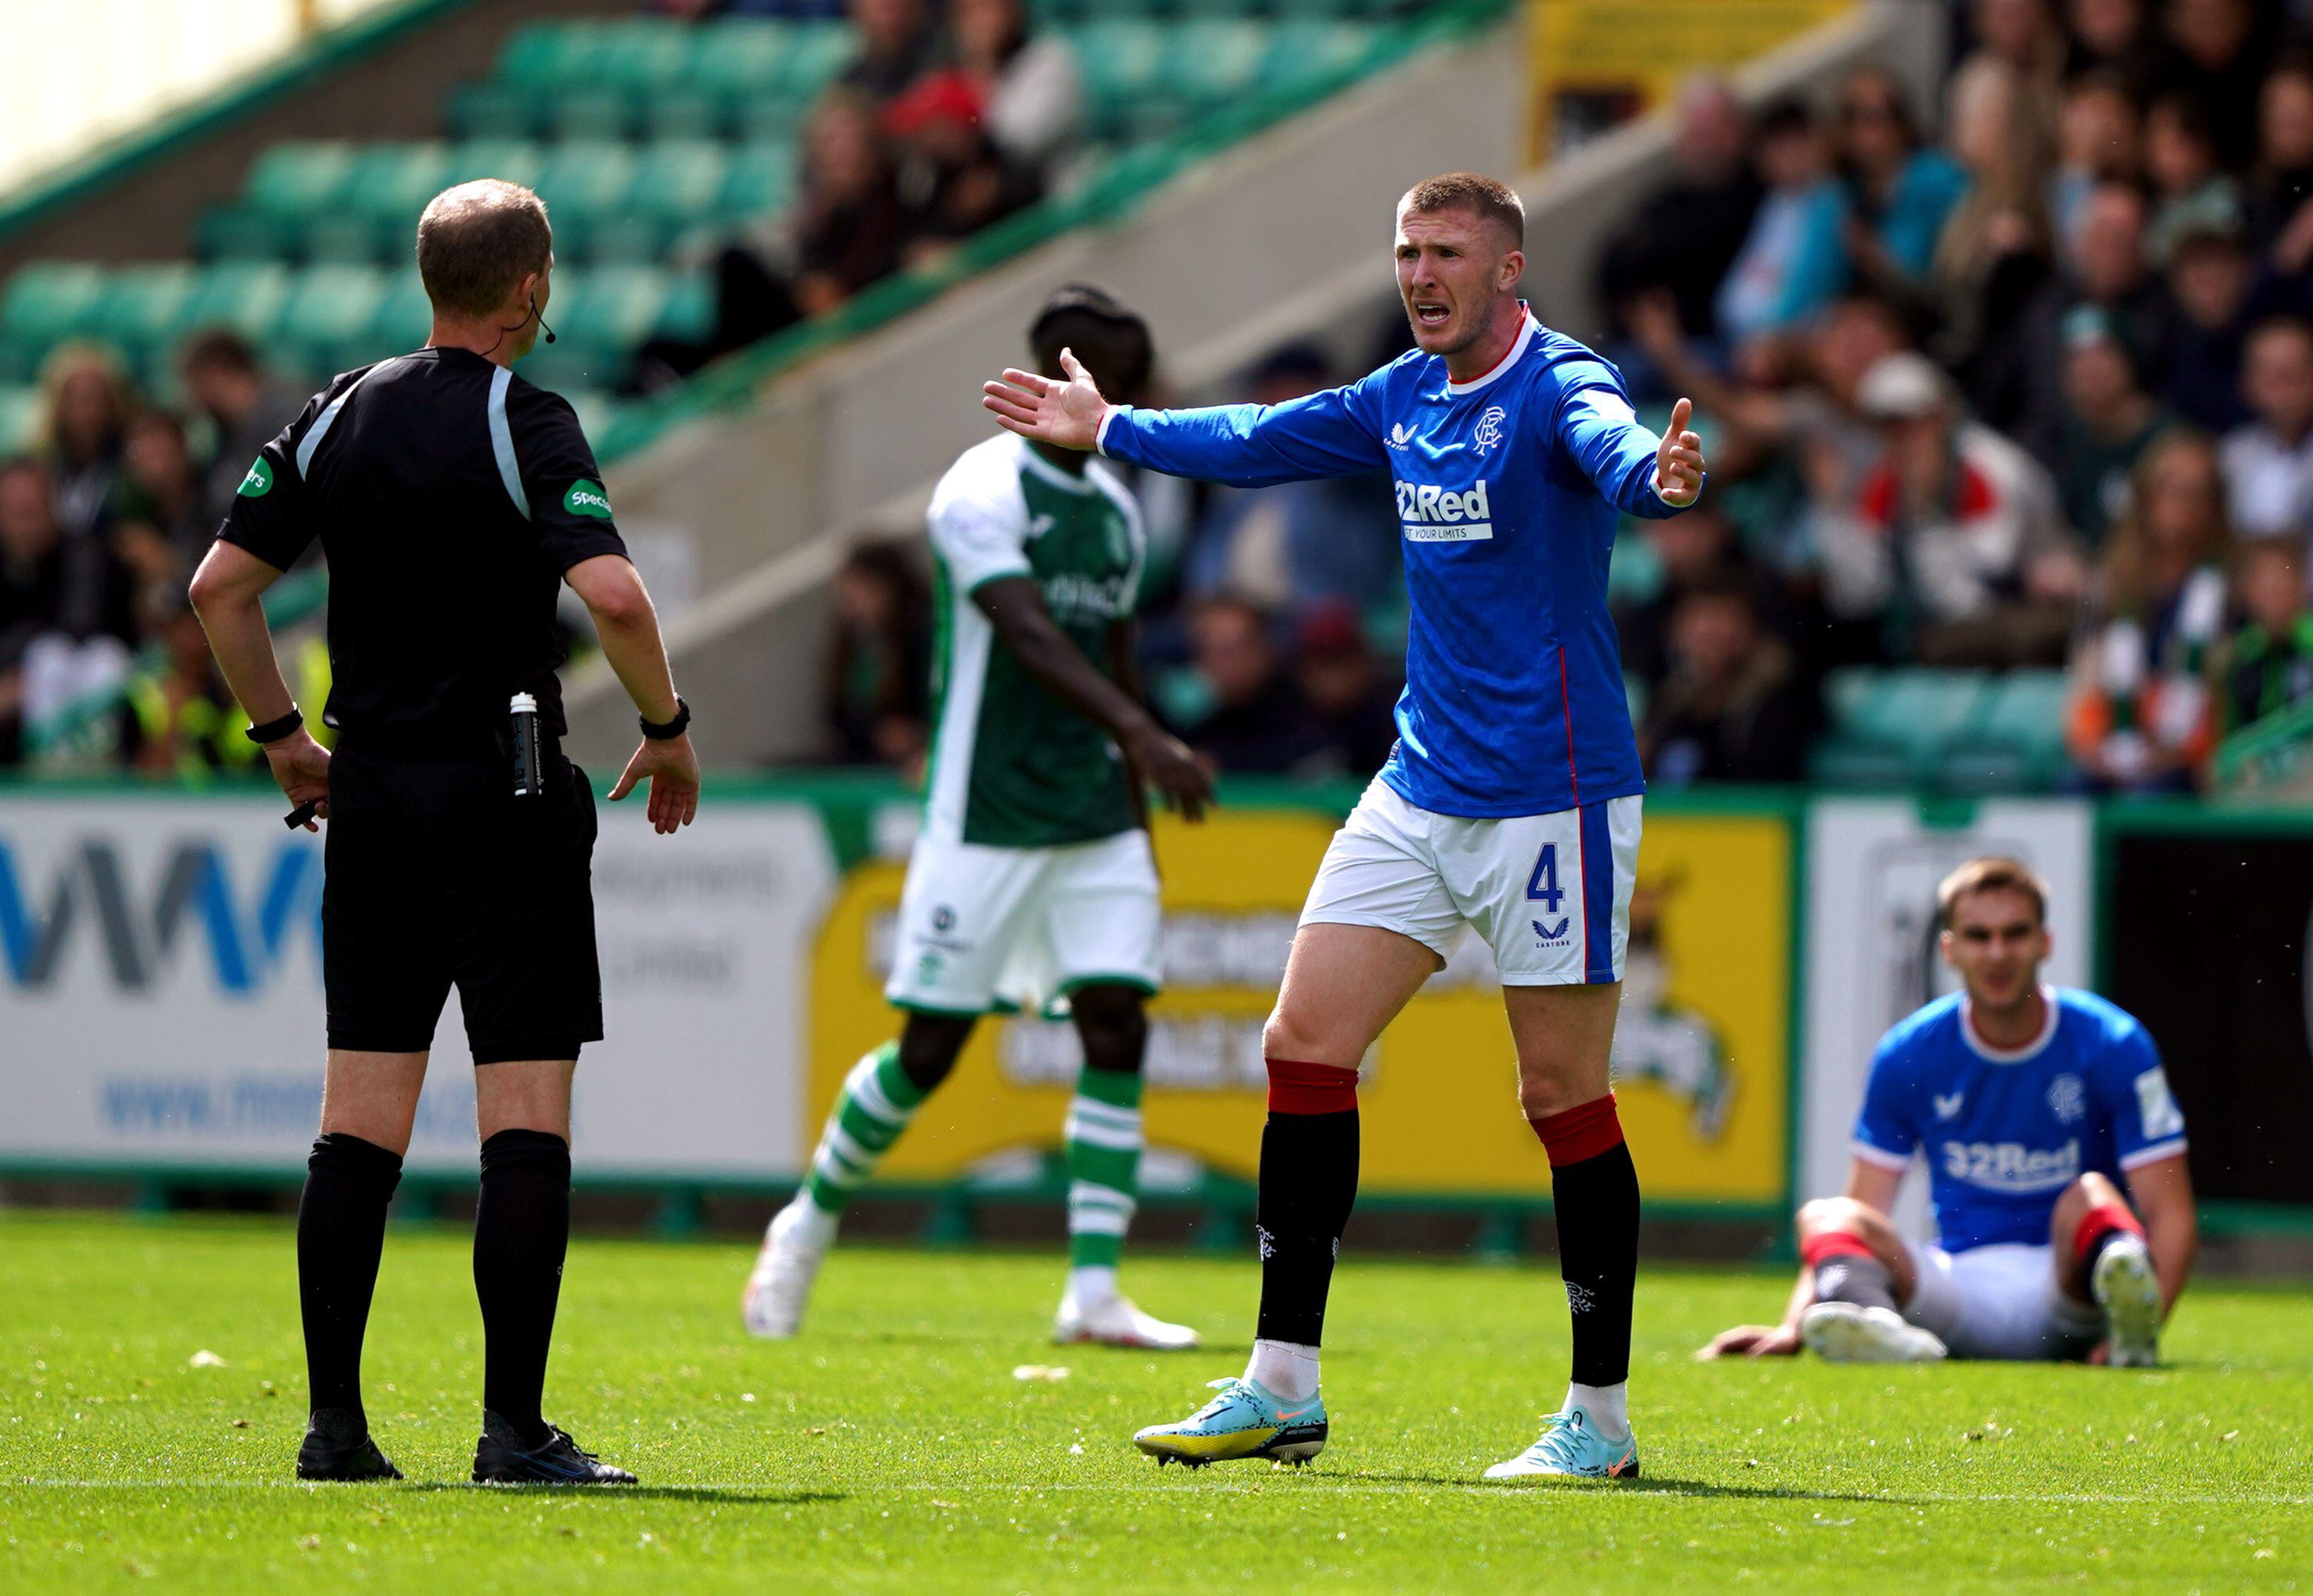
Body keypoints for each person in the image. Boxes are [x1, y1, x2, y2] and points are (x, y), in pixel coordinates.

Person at [982, 172, 1708, 1479]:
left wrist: (1653, 480)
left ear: (1506, 268)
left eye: (1445, 252)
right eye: (1404, 252)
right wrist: (1114, 427)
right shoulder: (1399, 396)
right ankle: (1281, 1384)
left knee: (1559, 1096)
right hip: (1418, 786)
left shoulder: (1559, 383)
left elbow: (1611, 444)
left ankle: (1597, 1421)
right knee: (1302, 1045)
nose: (1419, 274)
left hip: (1554, 800)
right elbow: (1258, 440)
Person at [186, 178, 700, 1487]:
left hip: (368, 796)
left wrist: (283, 739)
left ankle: (334, 1429)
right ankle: (512, 1431)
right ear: (527, 288)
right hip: (505, 790)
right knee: (521, 1107)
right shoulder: (523, 416)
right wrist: (669, 722)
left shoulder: (336, 409)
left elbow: (220, 589)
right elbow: (618, 599)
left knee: (359, 1114)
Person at [744, 285, 1214, 1350]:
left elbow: (1115, 659)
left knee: (1116, 1019)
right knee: (930, 1051)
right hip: (985, 815)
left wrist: (1135, 797)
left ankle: (1093, 1289)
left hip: (1095, 814)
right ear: (1062, 373)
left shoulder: (1117, 509)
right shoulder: (978, 488)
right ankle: (805, 1222)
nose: (1128, 401)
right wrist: (1144, 735)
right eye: (1116, 379)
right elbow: (1032, 637)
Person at [1700, 858, 2193, 1366]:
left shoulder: (2114, 1044)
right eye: (1979, 935)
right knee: (1824, 1215)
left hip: (2070, 1289)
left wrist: (2141, 1337)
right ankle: (1881, 1327)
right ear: (1949, 949)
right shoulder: (1909, 1052)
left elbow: (2171, 1211)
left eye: (2015, 933)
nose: (1998, 953)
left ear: (2046, 941)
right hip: (1955, 1291)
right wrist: (1793, 1323)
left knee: (2090, 1194)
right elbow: (1862, 1211)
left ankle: (2132, 1318)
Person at [2064, 429, 2231, 792]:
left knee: (2150, 796)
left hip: (2193, 754)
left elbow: (2223, 685)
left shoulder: (2228, 587)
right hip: (2115, 741)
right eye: (2169, 488)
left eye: (2195, 493)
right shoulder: (2109, 582)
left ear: (2213, 505)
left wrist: (2176, 748)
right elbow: (2084, 679)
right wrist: (2097, 746)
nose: (2180, 503)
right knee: (2072, 787)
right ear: (2145, 495)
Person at [2220, 313, 2313, 542]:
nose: (2283, 386)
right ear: (2247, 383)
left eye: (2294, 371)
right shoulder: (2231, 457)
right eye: (2268, 372)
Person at [2217, 537, 2313, 733]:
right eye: (2265, 583)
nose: (2275, 591)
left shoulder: (2308, 644)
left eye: (2284, 579)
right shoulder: (2235, 655)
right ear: (2246, 591)